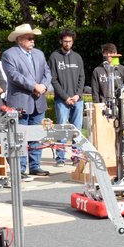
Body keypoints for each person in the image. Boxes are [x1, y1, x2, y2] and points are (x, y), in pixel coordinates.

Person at [1, 23, 52, 179]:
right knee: (20, 136)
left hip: (38, 99)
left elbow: (47, 71)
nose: (32, 41)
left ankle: (35, 165)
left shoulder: (39, 54)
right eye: (29, 38)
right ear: (19, 39)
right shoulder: (9, 55)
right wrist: (34, 86)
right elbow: (14, 76)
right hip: (21, 100)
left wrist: (43, 85)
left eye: (33, 38)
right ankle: (20, 168)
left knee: (36, 134)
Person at [49, 30, 85, 166]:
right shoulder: (54, 57)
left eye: (70, 41)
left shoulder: (78, 57)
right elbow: (53, 79)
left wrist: (77, 95)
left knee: (77, 130)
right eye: (65, 41)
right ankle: (60, 158)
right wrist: (65, 97)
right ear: (61, 41)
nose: (67, 43)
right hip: (62, 100)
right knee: (61, 130)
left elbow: (82, 78)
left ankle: (76, 156)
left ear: (73, 42)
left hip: (78, 100)